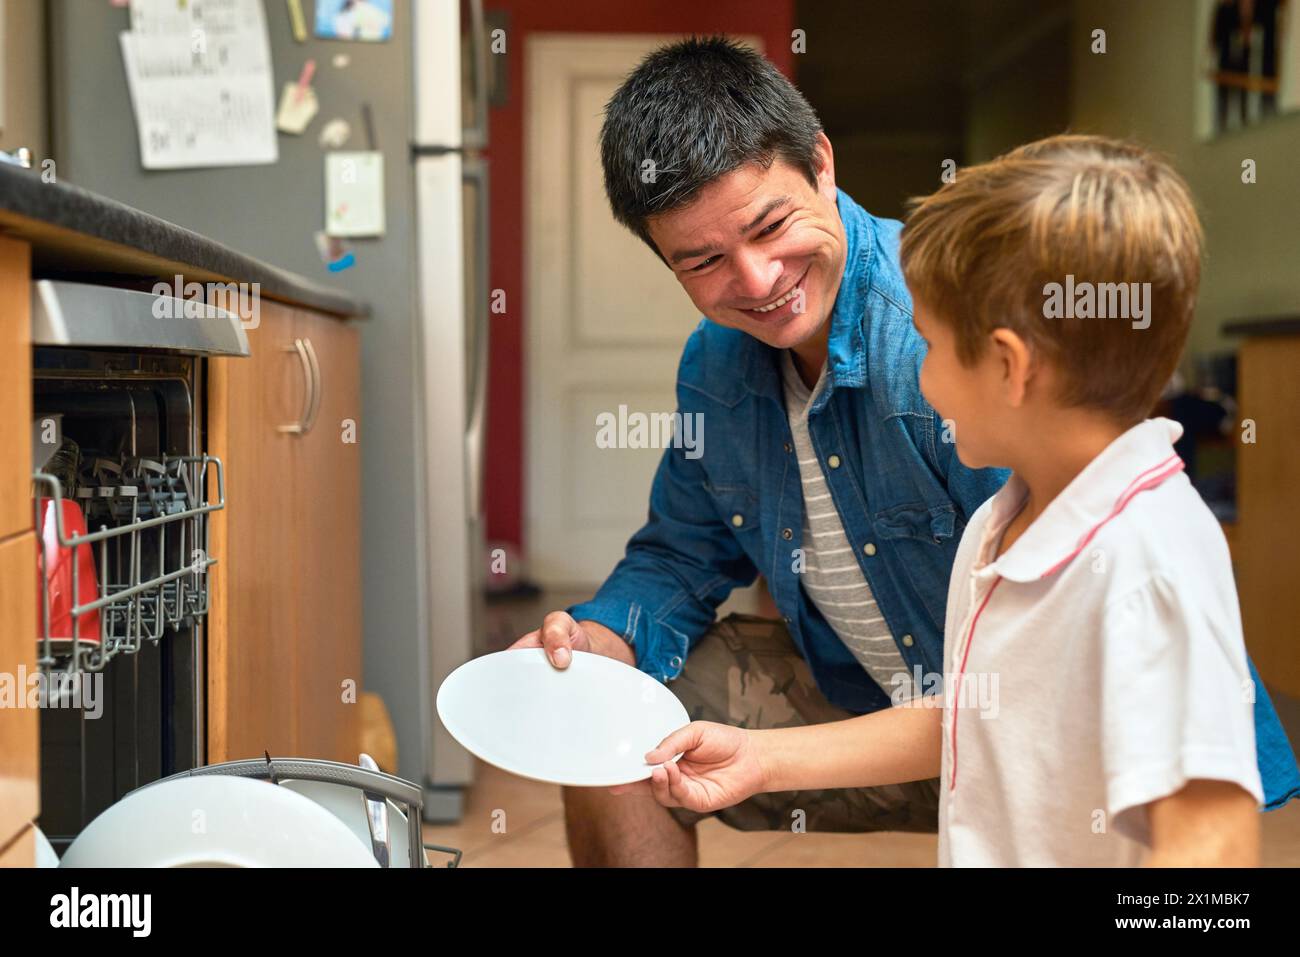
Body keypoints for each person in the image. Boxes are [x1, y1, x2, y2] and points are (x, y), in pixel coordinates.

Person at [510, 38, 1300, 867]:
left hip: (1027, 746)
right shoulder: (993, 511)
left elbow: (1197, 830)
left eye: (769, 225)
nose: (753, 279)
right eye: (703, 261)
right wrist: (609, 642)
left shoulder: (1097, 507)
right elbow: (984, 695)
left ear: (820, 162)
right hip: (916, 718)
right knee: (610, 717)